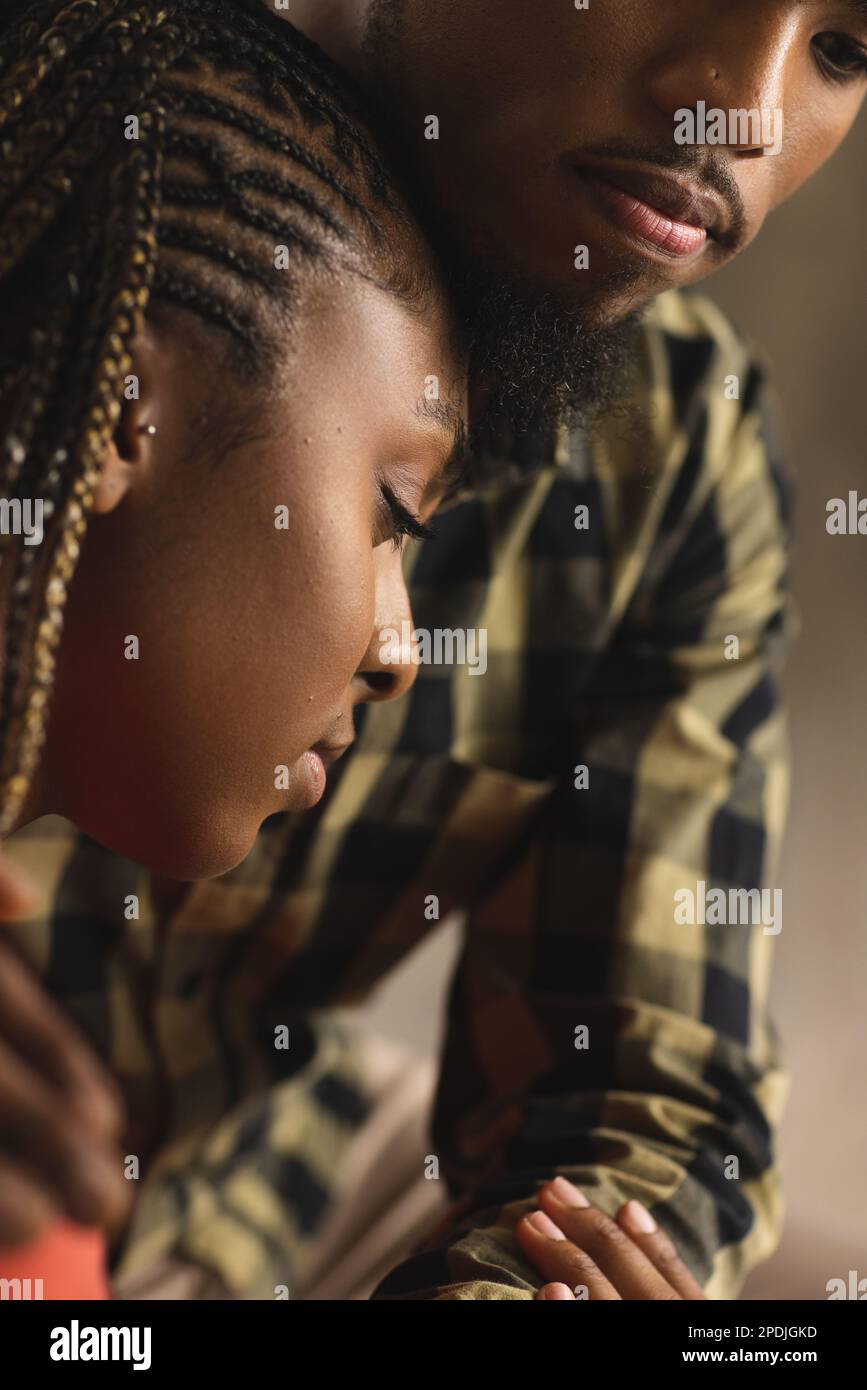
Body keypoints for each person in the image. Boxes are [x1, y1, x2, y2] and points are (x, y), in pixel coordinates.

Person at [1, 0, 864, 1301]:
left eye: (847, 50)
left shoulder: (677, 452)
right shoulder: (65, 136)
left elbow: (642, 1085)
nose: (741, 110)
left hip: (250, 1167)